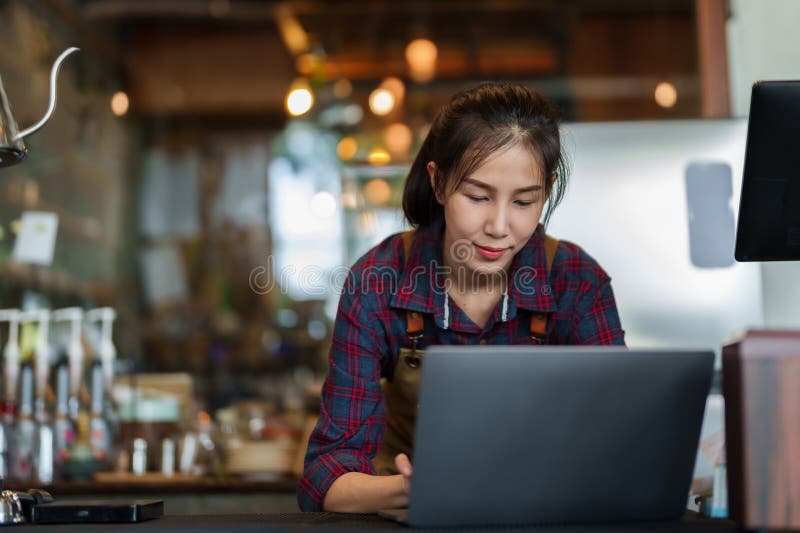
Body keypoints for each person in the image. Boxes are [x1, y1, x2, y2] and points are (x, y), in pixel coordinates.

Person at [297, 82, 626, 513]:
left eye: (525, 201)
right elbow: (325, 478)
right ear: (438, 183)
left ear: (544, 192)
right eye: (477, 196)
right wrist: (411, 489)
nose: (499, 225)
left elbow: (621, 445)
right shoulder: (376, 282)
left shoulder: (578, 283)